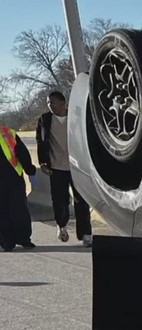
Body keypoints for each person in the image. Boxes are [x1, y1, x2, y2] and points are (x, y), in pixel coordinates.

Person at [36, 91, 91, 246]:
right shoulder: (45, 119)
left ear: (62, 102)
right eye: (48, 102)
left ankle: (86, 234)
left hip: (78, 166)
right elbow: (40, 141)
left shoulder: (76, 116)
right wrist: (43, 163)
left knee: (81, 201)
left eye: (52, 101)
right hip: (56, 167)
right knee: (60, 201)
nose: (50, 105)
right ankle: (62, 226)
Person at [0, 125, 37, 252]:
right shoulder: (7, 132)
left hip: (13, 177)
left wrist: (29, 169)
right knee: (19, 209)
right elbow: (22, 152)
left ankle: (7, 242)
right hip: (14, 177)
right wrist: (29, 169)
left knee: (4, 211)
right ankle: (23, 239)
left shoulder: (8, 133)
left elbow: (21, 152)